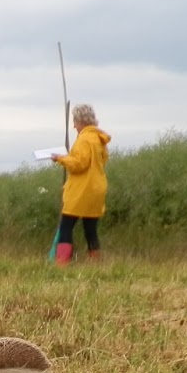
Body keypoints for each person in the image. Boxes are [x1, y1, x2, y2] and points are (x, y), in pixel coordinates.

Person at [49, 103, 110, 264]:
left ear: (80, 120)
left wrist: (61, 158)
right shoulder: (98, 138)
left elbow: (79, 164)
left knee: (66, 226)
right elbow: (102, 160)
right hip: (97, 188)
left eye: (75, 121)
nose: (74, 126)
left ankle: (61, 263)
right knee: (90, 229)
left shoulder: (84, 139)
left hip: (81, 190)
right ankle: (96, 263)